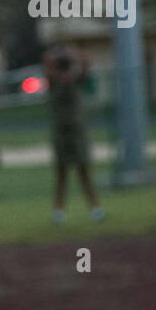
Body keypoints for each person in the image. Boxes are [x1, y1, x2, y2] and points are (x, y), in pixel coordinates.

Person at [43, 45, 105, 224]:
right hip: (61, 135)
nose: (63, 73)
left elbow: (86, 61)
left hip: (78, 133)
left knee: (84, 173)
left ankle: (95, 209)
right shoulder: (53, 83)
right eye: (61, 69)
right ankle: (58, 212)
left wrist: (72, 53)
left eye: (66, 68)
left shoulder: (78, 82)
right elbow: (46, 61)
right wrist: (57, 56)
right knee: (61, 174)